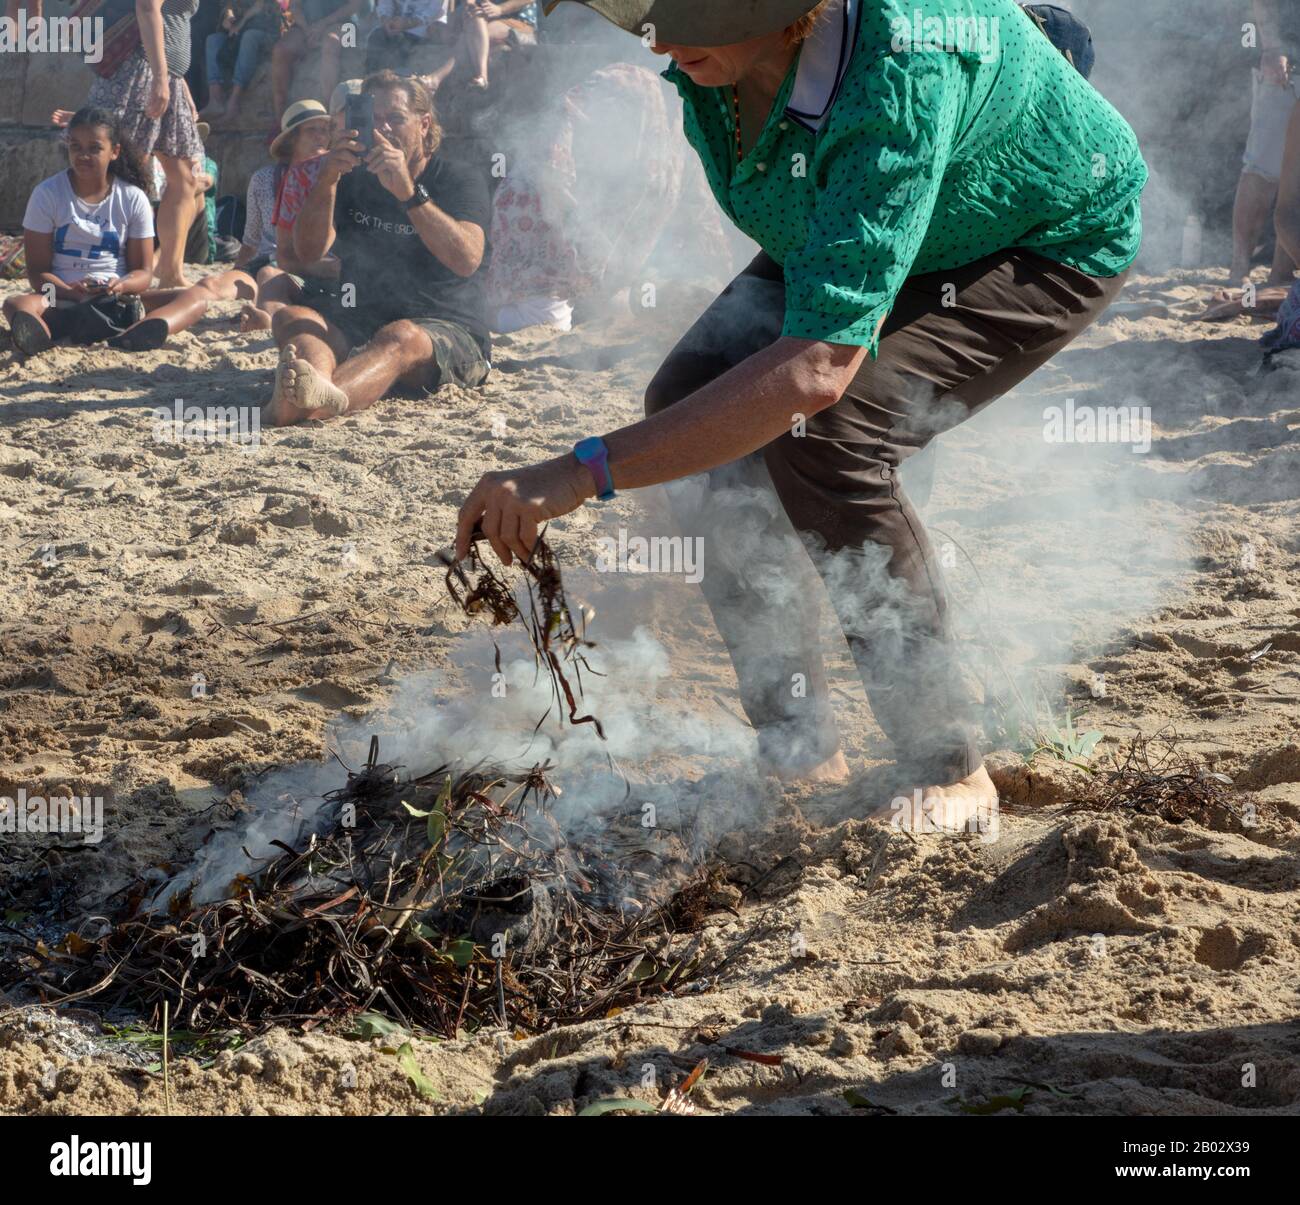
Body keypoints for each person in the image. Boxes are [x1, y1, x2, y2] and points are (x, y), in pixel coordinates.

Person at [455, 0, 1148, 826]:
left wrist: (580, 472)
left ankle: (951, 768)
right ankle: (801, 745)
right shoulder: (711, 59)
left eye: (689, 15)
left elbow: (817, 372)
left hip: (1038, 231)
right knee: (685, 405)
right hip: (856, 218)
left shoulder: (899, 64)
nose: (662, 41)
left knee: (830, 433)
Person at [266, 69, 492, 424]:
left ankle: (311, 404)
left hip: (447, 328)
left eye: (397, 119)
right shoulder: (352, 175)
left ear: (424, 124)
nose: (384, 129)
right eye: (375, 119)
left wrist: (407, 192)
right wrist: (327, 179)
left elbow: (466, 259)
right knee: (292, 317)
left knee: (400, 336)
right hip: (362, 316)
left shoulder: (458, 179)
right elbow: (307, 253)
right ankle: (314, 388)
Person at [3, 107, 245, 355]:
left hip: (116, 300)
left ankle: (134, 336)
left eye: (94, 148)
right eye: (76, 147)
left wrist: (118, 285)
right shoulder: (47, 194)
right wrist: (71, 292)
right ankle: (42, 339)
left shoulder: (132, 198)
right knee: (16, 303)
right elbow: (37, 272)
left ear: (114, 151)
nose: (83, 156)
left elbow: (142, 272)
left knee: (195, 298)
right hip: (60, 299)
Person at [85, 0, 205, 289]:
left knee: (186, 178)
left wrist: (177, 81)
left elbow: (170, 25)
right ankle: (113, 266)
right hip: (138, 70)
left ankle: (170, 272)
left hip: (164, 74)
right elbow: (147, 8)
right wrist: (162, 78)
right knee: (125, 172)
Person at [1231, 0, 1299, 287]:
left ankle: (1282, 272)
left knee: (1296, 179)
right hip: (1287, 66)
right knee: (1263, 169)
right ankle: (1239, 268)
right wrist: (1272, 47)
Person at [272, 0, 368, 120]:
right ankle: (280, 117)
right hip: (307, 25)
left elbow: (354, 5)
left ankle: (330, 114)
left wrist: (323, 24)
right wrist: (307, 30)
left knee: (330, 42)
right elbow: (295, 6)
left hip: (346, 25)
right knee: (281, 50)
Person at [424, 0, 540, 92]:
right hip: (488, 20)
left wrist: (500, 9)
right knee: (472, 21)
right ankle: (481, 77)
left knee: (473, 36)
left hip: (520, 22)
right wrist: (470, 5)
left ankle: (437, 78)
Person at [201, 0, 284, 125]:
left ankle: (234, 101)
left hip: (266, 31)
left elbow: (259, 6)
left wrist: (241, 23)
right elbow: (227, 5)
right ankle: (215, 99)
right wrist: (228, 16)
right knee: (213, 40)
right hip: (239, 32)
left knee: (249, 37)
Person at [365, 0, 450, 75]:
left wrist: (408, 23)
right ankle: (372, 76)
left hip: (423, 27)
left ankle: (398, 77)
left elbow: (432, 10)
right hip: (395, 24)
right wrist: (386, 19)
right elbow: (385, 5)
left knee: (402, 43)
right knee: (376, 36)